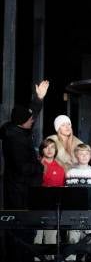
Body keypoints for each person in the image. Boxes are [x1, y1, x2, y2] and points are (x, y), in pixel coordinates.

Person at [0, 80, 49, 208]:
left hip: (22, 186)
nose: (32, 120)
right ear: (22, 122)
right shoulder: (15, 139)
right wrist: (40, 167)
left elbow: (32, 113)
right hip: (18, 191)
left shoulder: (18, 129)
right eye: (29, 119)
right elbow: (22, 167)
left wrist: (39, 98)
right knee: (21, 223)